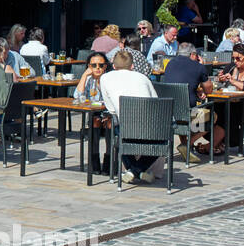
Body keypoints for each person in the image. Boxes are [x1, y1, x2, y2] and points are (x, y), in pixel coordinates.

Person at [98, 50, 159, 183]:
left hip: (126, 129)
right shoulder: (143, 78)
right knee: (163, 141)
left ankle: (134, 170)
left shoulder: (105, 78)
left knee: (116, 130)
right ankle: (139, 170)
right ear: (132, 66)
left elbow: (111, 109)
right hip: (150, 131)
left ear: (114, 66)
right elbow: (156, 102)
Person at [207, 43, 244, 156]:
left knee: (229, 113)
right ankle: (219, 143)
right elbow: (221, 79)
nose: (235, 61)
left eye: (238, 58)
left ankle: (214, 145)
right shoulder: (231, 67)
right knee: (213, 109)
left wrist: (233, 81)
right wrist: (220, 79)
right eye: (233, 58)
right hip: (232, 102)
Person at [161, 41, 213, 161]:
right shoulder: (198, 67)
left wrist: (196, 90)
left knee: (183, 110)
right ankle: (186, 144)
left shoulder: (169, 64)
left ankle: (187, 150)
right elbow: (209, 90)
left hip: (169, 111)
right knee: (212, 116)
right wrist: (203, 66)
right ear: (193, 54)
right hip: (188, 112)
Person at [74, 51, 113, 173]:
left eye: (101, 65)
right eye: (93, 65)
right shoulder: (88, 79)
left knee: (109, 121)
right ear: (89, 66)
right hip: (93, 113)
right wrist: (84, 76)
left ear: (105, 66)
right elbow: (77, 96)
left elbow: (110, 97)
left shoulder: (109, 78)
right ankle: (94, 163)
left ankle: (108, 162)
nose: (97, 68)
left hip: (109, 113)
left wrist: (101, 81)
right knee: (95, 120)